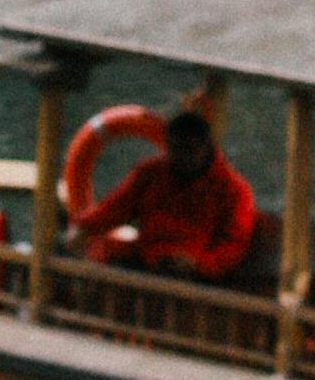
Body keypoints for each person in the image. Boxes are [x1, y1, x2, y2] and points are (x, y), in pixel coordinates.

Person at [89, 89, 266, 284]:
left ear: (206, 147)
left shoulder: (235, 190)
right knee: (101, 262)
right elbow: (115, 208)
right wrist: (83, 228)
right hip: (146, 259)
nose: (182, 157)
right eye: (175, 149)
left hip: (197, 275)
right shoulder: (150, 172)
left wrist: (199, 264)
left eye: (190, 150)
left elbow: (233, 245)